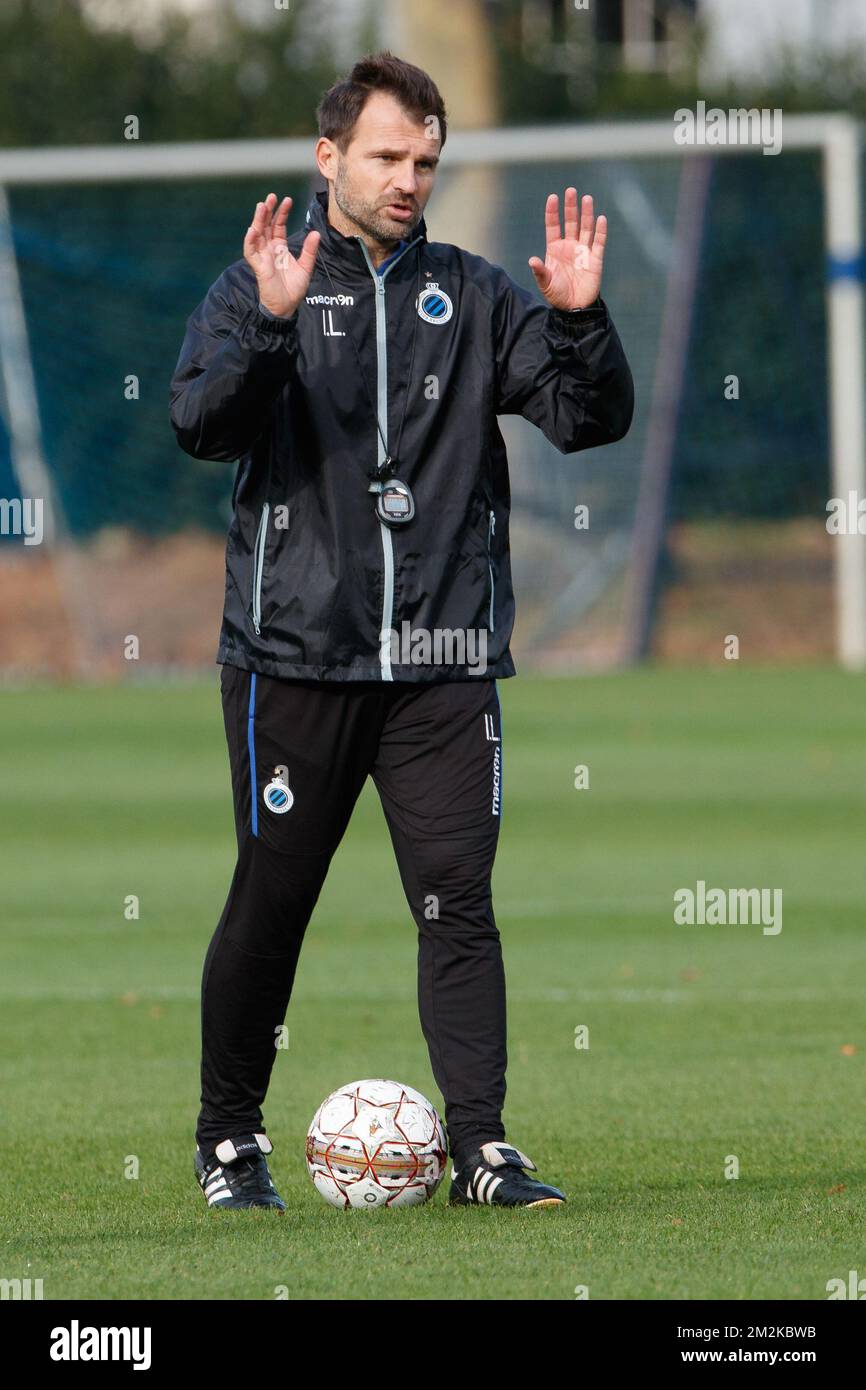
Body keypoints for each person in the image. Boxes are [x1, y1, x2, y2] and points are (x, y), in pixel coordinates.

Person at [169, 51, 633, 1211]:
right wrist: (271, 326)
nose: (407, 177)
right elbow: (199, 423)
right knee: (273, 901)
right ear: (328, 156)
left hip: (440, 661)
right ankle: (230, 1140)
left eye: (425, 159)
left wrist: (579, 322)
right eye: (385, 155)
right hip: (293, 658)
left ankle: (482, 1149)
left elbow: (588, 419)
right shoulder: (258, 283)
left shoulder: (475, 295)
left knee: (454, 900)